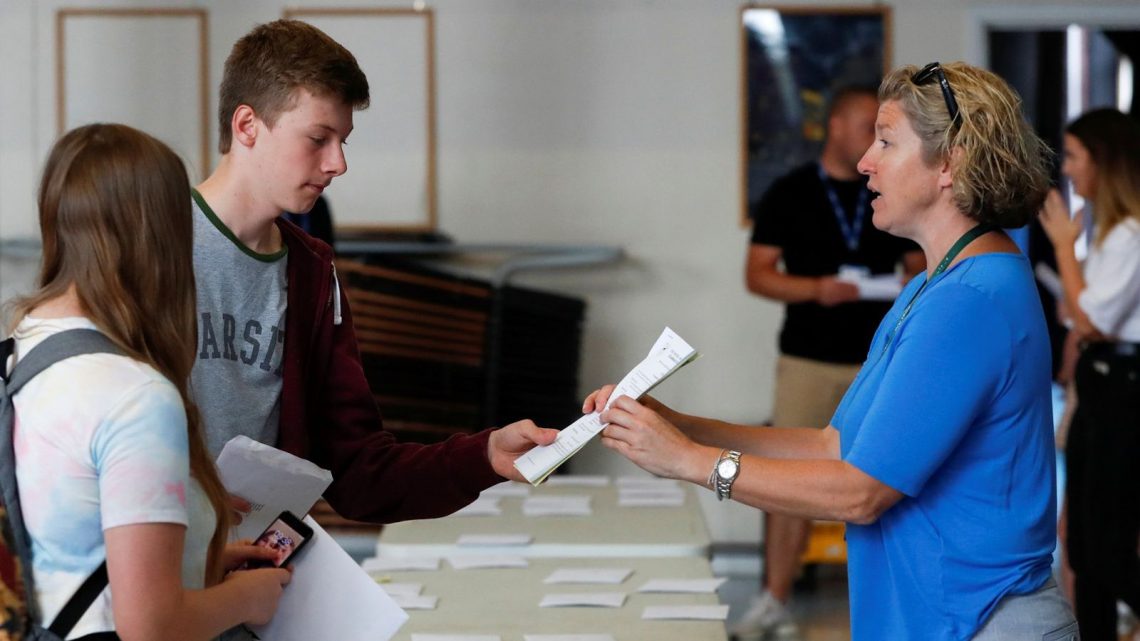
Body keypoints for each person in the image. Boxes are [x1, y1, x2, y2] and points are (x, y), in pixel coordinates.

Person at [589, 62, 1079, 640]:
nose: (865, 161)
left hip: (977, 621)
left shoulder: (970, 299)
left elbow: (860, 491)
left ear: (949, 162)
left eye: (886, 141)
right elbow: (835, 445)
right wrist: (678, 427)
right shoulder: (932, 285)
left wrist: (688, 462)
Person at [192, 18, 557, 533]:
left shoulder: (313, 272)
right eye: (319, 138)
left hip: (253, 586)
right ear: (247, 125)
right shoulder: (147, 245)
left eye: (343, 140)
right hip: (151, 586)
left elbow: (361, 473)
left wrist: (486, 456)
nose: (337, 163)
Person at [6, 123, 289, 640]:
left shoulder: (19, 350)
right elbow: (151, 628)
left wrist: (191, 561)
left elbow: (68, 545)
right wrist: (246, 597)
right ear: (161, 236)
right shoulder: (135, 396)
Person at [741, 85, 923, 638]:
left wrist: (902, 275)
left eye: (883, 133)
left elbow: (922, 256)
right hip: (809, 358)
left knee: (887, 478)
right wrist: (816, 289)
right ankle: (774, 598)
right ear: (835, 126)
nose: (873, 143)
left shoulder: (893, 190)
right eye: (868, 126)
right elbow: (758, 274)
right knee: (788, 479)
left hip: (882, 357)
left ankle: (896, 602)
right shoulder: (789, 192)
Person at [1039, 107, 1140, 640]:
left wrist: (1061, 246)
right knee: (1081, 544)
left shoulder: (1131, 233)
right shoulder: (1109, 230)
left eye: (1074, 156)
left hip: (1123, 390)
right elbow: (1082, 313)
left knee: (1105, 546)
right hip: (1102, 386)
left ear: (1103, 161)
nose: (1068, 170)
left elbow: (1094, 319)